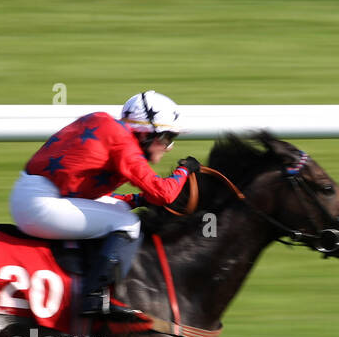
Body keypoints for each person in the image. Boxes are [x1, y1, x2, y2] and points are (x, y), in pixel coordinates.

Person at [10, 91, 201, 320]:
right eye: (167, 138)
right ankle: (94, 297)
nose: (168, 147)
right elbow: (163, 194)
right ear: (145, 133)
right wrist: (185, 169)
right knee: (128, 223)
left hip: (33, 195)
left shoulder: (104, 124)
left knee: (120, 211)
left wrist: (136, 200)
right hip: (40, 205)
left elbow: (84, 190)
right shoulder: (123, 142)